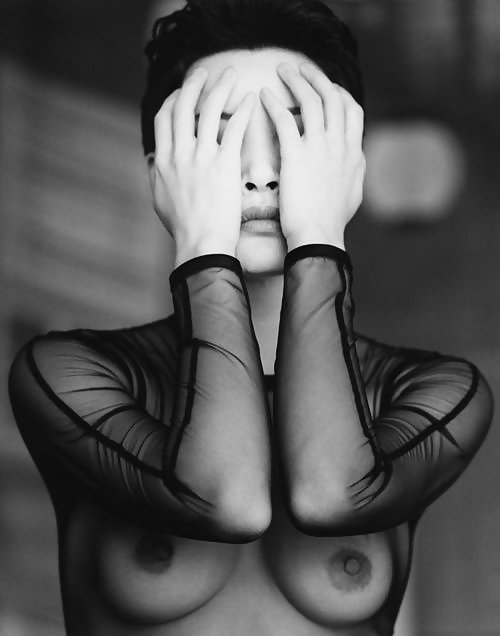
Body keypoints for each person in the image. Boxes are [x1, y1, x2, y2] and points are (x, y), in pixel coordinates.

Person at [8, 0, 494, 634]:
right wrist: (203, 247)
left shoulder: (431, 389)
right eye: (220, 137)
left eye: (297, 136)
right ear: (162, 175)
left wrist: (318, 234)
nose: (261, 174)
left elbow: (331, 494)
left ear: (347, 169)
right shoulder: (70, 372)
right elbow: (225, 501)